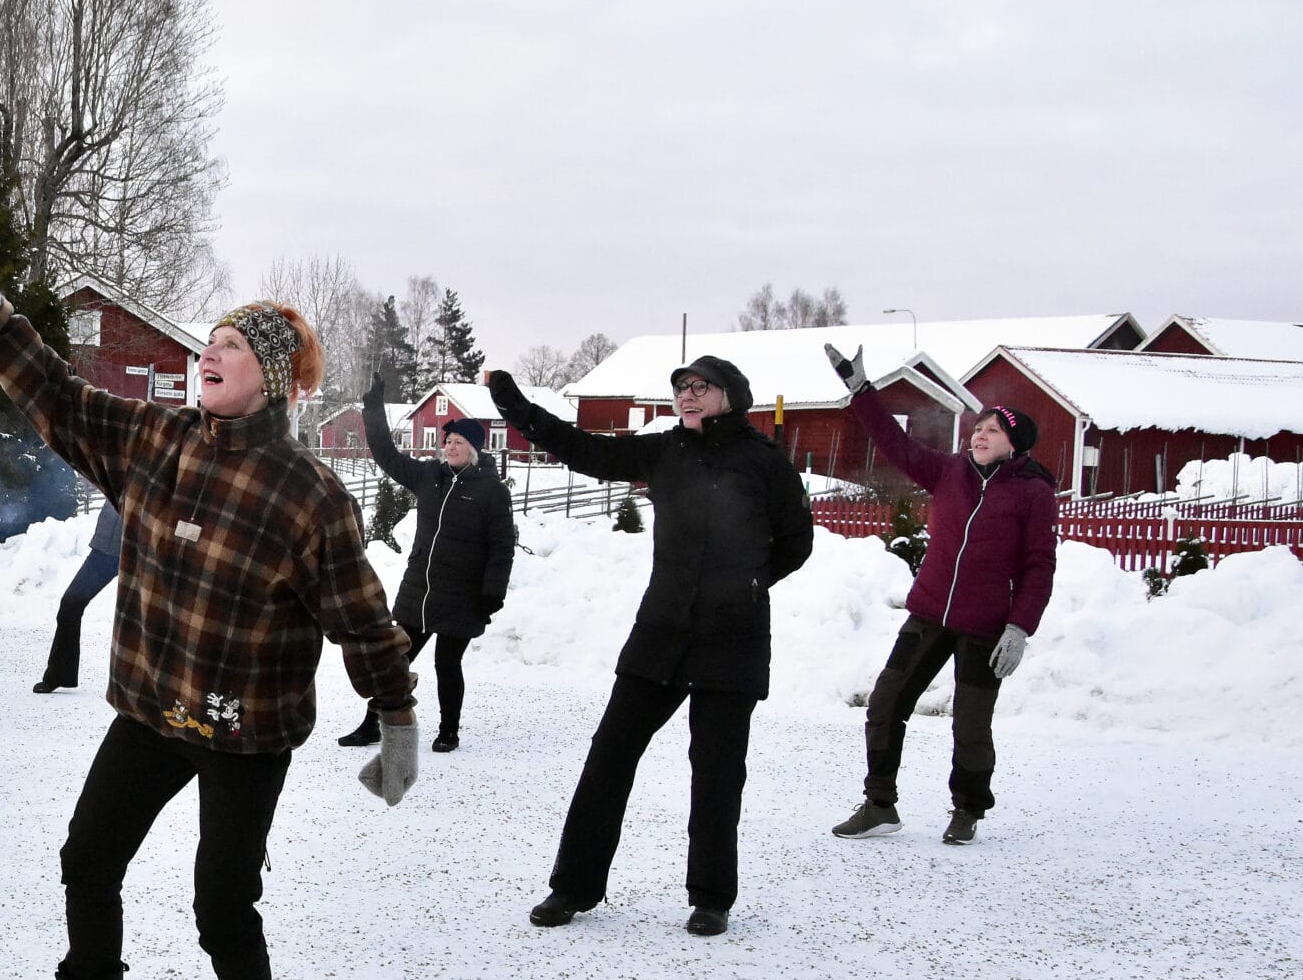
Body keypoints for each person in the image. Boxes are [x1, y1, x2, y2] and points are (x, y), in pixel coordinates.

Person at [0, 208, 421, 980]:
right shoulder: (156, 441)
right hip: (153, 707)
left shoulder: (306, 492)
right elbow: (64, 401)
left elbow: (361, 617)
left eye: (232, 346)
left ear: (270, 376)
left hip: (247, 725)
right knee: (88, 856)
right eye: (212, 340)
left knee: (220, 899)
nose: (212, 352)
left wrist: (396, 718)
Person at [487, 356, 813, 937]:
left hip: (731, 639)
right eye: (681, 388)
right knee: (609, 756)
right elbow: (584, 449)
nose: (687, 396)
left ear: (731, 396)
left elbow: (797, 541)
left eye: (700, 388)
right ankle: (573, 887)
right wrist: (515, 407)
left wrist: (751, 583)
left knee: (716, 772)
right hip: (661, 632)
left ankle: (711, 896)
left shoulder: (764, 463)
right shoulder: (665, 451)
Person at [824, 343, 1058, 845]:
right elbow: (895, 444)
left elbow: (1040, 565)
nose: (980, 434)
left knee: (971, 727)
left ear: (1014, 444)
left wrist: (1019, 628)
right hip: (930, 613)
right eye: (978, 428)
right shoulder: (950, 471)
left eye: (992, 430)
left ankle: (967, 809)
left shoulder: (1033, 492)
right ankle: (879, 804)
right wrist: (861, 391)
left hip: (986, 625)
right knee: (886, 703)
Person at [338, 382, 515, 752]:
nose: (450, 447)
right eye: (447, 441)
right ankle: (373, 725)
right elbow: (386, 455)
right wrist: (374, 410)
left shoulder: (491, 491)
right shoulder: (429, 477)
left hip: (463, 595)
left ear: (474, 450)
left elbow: (501, 546)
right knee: (395, 662)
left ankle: (449, 730)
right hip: (419, 590)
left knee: (447, 664)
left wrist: (492, 592)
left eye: (458, 443)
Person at [33, 499, 123, 693]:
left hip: (138, 554)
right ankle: (59, 673)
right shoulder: (121, 470)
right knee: (70, 604)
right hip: (103, 551)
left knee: (140, 620)